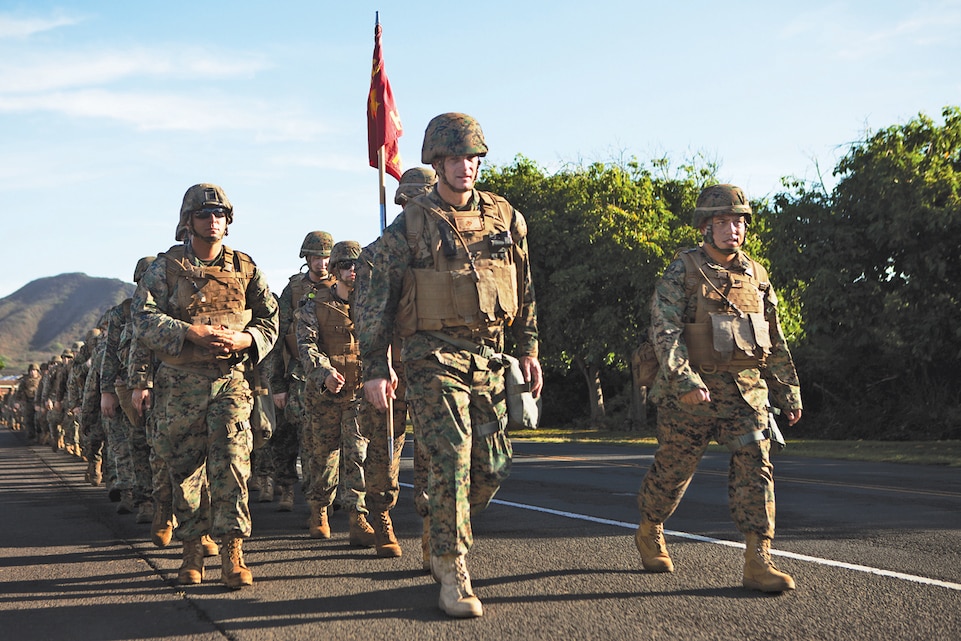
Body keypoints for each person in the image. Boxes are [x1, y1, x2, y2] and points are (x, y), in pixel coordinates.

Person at [355, 113, 542, 618]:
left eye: (473, 158)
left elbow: (524, 288)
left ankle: (439, 526)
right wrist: (376, 367)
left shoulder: (506, 218)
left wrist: (528, 348)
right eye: (455, 158)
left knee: (493, 465)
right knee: (452, 457)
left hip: (489, 355)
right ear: (436, 163)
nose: (466, 166)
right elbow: (375, 300)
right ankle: (454, 567)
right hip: (432, 357)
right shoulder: (411, 225)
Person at [635, 183, 803, 593]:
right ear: (705, 227)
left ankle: (758, 559)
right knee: (673, 471)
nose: (733, 229)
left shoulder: (756, 276)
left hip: (746, 393)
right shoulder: (682, 271)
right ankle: (650, 528)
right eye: (723, 221)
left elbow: (773, 337)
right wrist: (684, 380)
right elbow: (665, 330)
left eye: (739, 222)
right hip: (690, 395)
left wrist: (787, 390)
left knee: (756, 465)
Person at [132, 183, 279, 590]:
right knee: (186, 471)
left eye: (219, 214)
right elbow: (142, 318)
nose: (212, 220)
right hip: (180, 385)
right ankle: (192, 549)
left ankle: (233, 551)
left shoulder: (245, 268)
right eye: (203, 214)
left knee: (233, 463)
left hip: (230, 381)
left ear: (228, 221)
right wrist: (189, 332)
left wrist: (245, 339)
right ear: (188, 221)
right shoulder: (165, 269)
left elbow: (270, 320)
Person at [356, 166, 437, 561]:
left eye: (423, 200)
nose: (416, 208)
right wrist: (379, 363)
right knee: (384, 448)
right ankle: (382, 515)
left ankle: (432, 527)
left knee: (433, 448)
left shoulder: (446, 250)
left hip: (433, 364)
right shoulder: (376, 254)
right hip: (393, 365)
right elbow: (368, 314)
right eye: (409, 201)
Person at [297, 240, 376, 547]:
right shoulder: (314, 305)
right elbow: (306, 345)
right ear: (334, 269)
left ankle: (358, 516)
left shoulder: (371, 305)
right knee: (323, 456)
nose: (351, 270)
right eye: (345, 265)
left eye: (356, 265)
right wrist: (324, 372)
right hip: (324, 396)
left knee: (357, 454)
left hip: (358, 394)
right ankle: (319, 508)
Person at [262, 231, 336, 512]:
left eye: (326, 257)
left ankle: (328, 495)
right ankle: (287, 487)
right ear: (307, 258)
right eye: (316, 257)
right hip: (299, 375)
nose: (322, 263)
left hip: (335, 372)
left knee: (329, 437)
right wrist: (278, 385)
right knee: (291, 436)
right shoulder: (293, 290)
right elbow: (278, 338)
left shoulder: (341, 286)